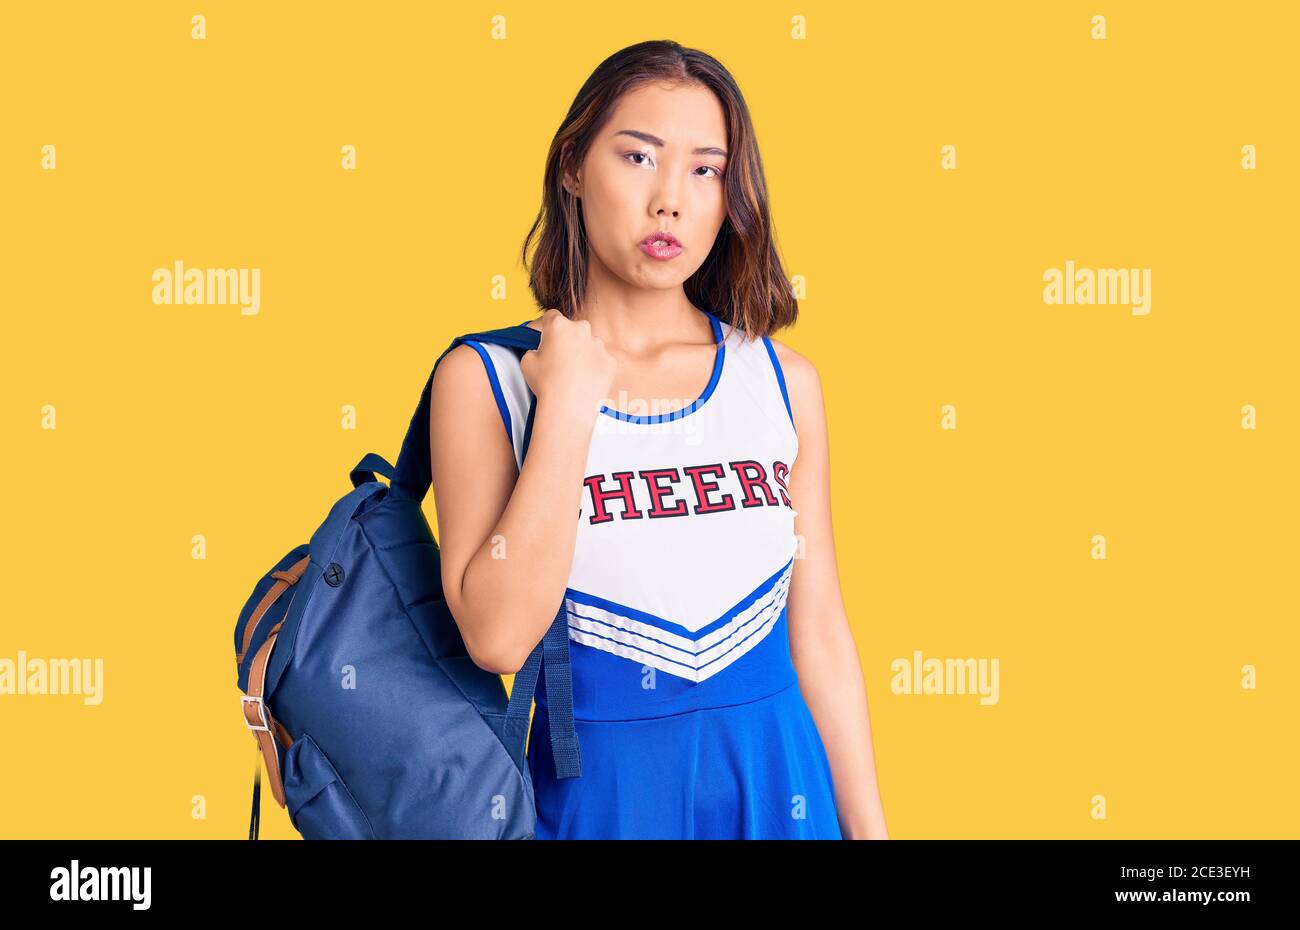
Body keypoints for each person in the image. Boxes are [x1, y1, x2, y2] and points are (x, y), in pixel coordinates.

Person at [429, 39, 887, 839]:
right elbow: (498, 638)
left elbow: (819, 636)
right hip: (598, 800)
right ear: (572, 165)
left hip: (781, 786)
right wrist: (569, 403)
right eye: (639, 156)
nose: (669, 199)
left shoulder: (781, 382)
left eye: (705, 169)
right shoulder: (488, 379)